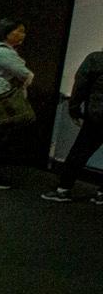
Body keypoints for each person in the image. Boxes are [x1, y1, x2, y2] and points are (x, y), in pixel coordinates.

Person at [42, 46, 103, 202]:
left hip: (98, 115)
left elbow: (81, 84)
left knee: (80, 151)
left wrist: (74, 109)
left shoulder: (96, 59)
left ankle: (64, 189)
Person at [0, 17, 34, 189]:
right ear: (6, 32)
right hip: (2, 98)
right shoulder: (4, 52)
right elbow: (25, 74)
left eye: (23, 31)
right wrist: (28, 77)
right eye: (17, 30)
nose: (21, 34)